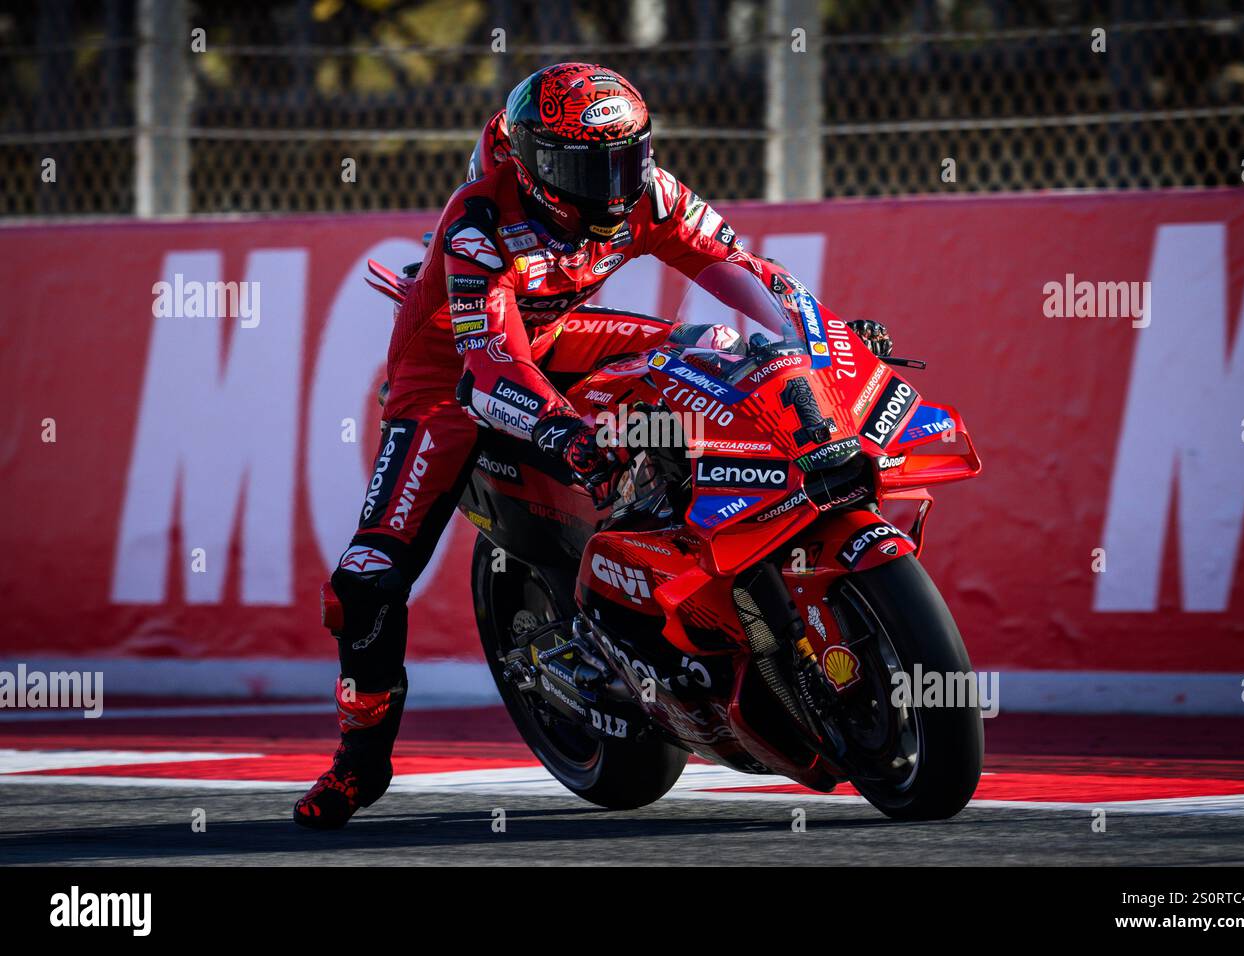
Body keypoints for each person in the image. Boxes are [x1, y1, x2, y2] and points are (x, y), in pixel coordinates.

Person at [293, 62, 891, 829]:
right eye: (590, 168)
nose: (615, 188)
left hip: (556, 336)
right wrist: (561, 432)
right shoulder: (480, 223)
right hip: (450, 378)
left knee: (716, 348)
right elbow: (490, 369)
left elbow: (745, 272)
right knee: (365, 582)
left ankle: (699, 548)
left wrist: (822, 338)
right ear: (537, 166)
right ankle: (357, 763)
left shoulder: (648, 192)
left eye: (629, 160)